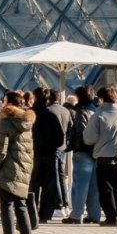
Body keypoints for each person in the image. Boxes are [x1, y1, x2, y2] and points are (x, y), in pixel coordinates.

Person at [0, 90, 36, 234]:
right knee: (21, 204)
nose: (2, 103)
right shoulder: (27, 123)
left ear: (8, 103)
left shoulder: (5, 123)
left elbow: (0, 151)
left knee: (6, 205)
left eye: (4, 101)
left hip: (7, 168)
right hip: (24, 167)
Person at [84, 85, 117, 227]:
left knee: (106, 189)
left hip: (104, 156)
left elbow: (89, 138)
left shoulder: (98, 115)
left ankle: (111, 217)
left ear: (101, 99)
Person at [31, 87, 71, 223]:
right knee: (49, 186)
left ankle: (31, 213)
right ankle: (44, 214)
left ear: (35, 98)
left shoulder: (30, 115)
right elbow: (60, 137)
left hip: (33, 154)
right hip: (50, 154)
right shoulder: (51, 116)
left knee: (33, 185)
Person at [63, 85, 101, 225]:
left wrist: (76, 145)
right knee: (93, 186)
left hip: (83, 152)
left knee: (80, 185)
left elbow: (81, 133)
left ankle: (76, 214)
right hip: (95, 152)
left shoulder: (81, 111)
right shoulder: (96, 110)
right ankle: (94, 215)